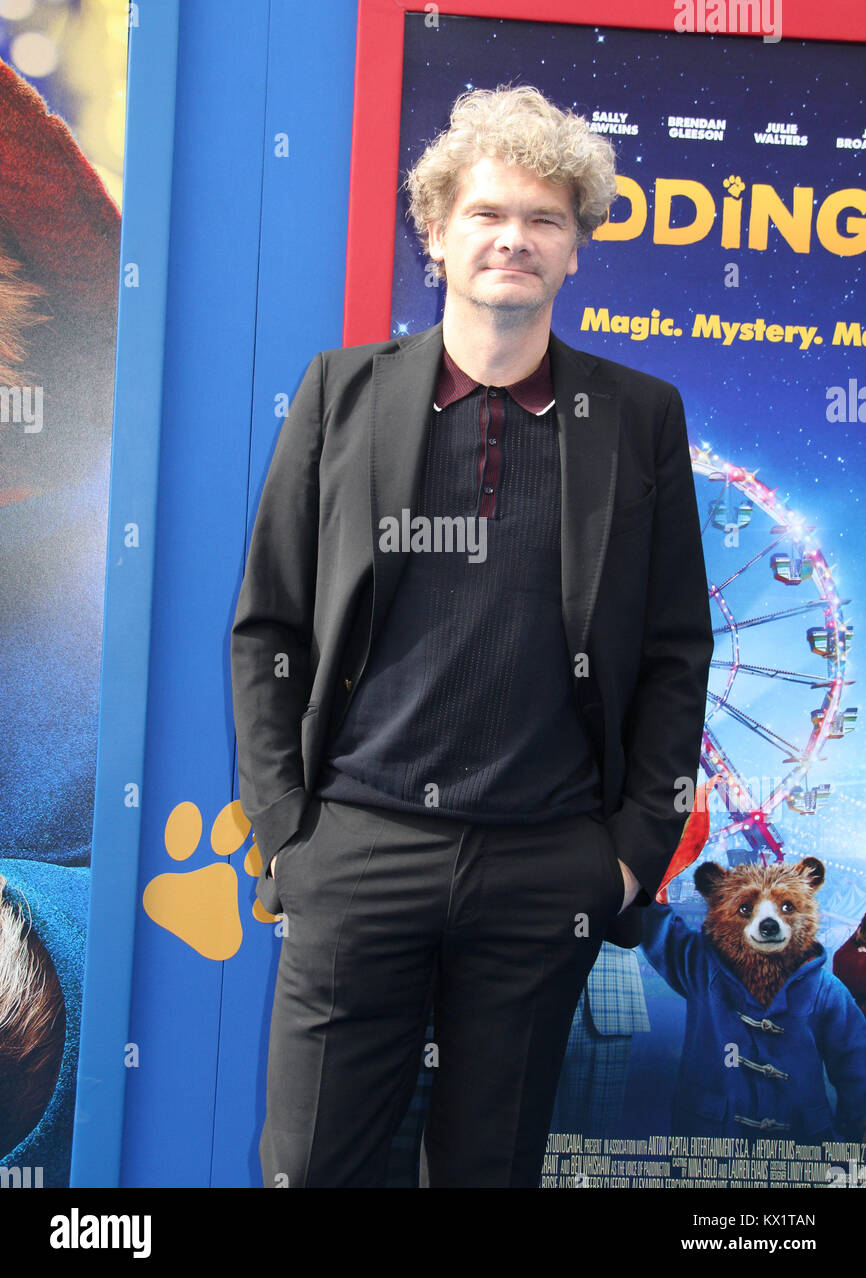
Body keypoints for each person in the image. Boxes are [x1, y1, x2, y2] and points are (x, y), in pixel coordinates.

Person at [230, 83, 714, 1188]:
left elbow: (677, 649)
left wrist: (631, 854)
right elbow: (270, 624)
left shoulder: (637, 416)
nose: (514, 238)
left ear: (575, 250)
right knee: (310, 1168)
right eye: (488, 214)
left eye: (545, 219)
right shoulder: (339, 392)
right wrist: (284, 831)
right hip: (355, 848)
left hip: (548, 866)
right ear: (435, 234)